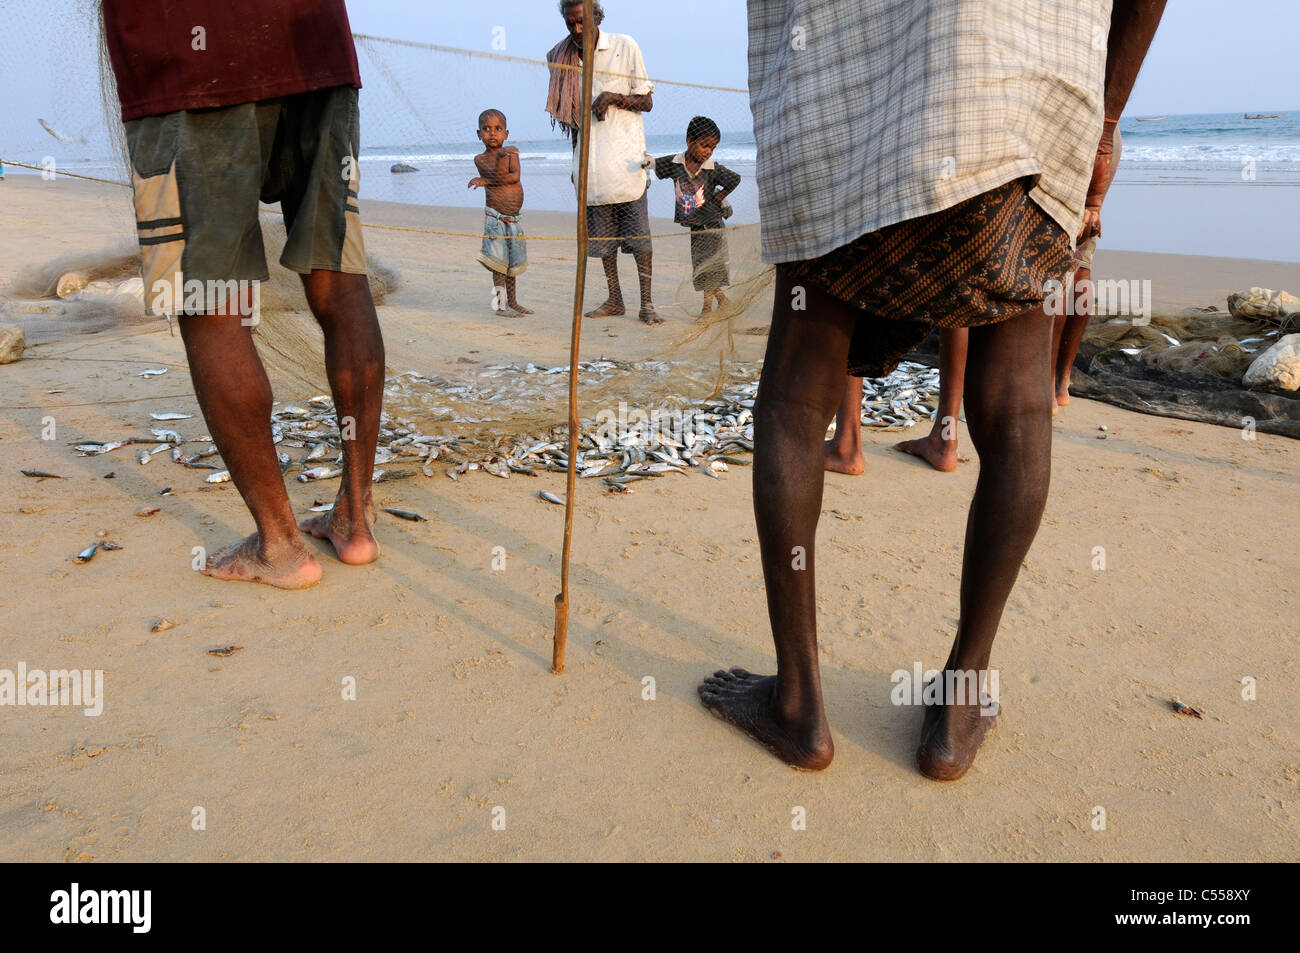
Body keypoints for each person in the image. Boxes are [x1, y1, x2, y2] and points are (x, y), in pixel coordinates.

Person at [699, 0, 1165, 778]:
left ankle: (798, 704)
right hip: (1020, 91)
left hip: (840, 93)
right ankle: (957, 704)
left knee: (795, 394)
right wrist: (1105, 118)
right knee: (1017, 401)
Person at [101, 0, 384, 589]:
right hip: (314, 49)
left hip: (183, 59)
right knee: (340, 278)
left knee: (211, 304)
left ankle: (280, 545)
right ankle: (356, 521)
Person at [546, 0, 660, 324]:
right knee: (602, 243)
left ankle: (647, 304)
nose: (577, 30)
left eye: (582, 22)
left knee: (640, 240)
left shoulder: (625, 46)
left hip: (626, 165)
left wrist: (614, 97)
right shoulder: (562, 58)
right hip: (590, 171)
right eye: (571, 25)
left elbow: (647, 101)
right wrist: (575, 167)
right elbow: (568, 117)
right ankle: (615, 299)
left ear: (598, 17)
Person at [654, 117, 742, 318]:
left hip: (712, 224)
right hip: (695, 226)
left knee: (709, 266)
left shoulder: (712, 168)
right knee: (701, 267)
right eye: (704, 146)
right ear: (689, 141)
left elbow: (735, 179)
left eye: (713, 147)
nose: (708, 151)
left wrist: (719, 196)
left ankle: (706, 310)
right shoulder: (676, 164)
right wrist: (644, 162)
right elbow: (655, 164)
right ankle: (724, 301)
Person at [469, 109, 532, 317]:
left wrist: (487, 180)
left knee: (512, 264)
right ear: (479, 134)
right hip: (495, 218)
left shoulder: (512, 154)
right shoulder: (480, 159)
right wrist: (498, 162)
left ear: (506, 133)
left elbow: (514, 177)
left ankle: (513, 302)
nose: (492, 133)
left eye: (498, 129)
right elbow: (493, 174)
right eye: (486, 130)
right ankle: (500, 305)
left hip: (513, 219)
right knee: (499, 264)